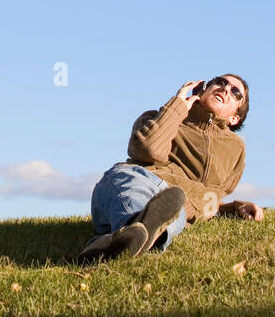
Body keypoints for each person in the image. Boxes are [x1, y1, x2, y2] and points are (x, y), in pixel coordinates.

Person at [79, 74, 264, 263]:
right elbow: (147, 150)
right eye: (220, 82)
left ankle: (116, 243)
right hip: (136, 180)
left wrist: (234, 208)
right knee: (159, 203)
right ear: (201, 90)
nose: (225, 89)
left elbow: (210, 195)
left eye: (235, 92)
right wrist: (178, 106)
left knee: (174, 214)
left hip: (173, 204)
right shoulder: (157, 117)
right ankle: (136, 230)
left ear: (235, 118)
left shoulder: (234, 149)